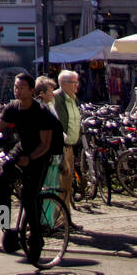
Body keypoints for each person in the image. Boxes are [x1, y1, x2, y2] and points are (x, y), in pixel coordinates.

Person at [0, 73, 56, 265]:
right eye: (16, 87)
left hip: (39, 156)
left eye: (22, 87)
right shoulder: (13, 108)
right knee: (1, 181)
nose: (17, 90)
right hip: (22, 149)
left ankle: (35, 241)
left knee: (28, 196)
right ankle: (6, 227)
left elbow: (46, 144)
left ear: (32, 90)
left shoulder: (41, 112)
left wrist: (30, 158)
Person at [54, 69, 82, 224]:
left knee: (68, 186)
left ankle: (66, 219)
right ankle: (59, 221)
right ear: (64, 84)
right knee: (60, 185)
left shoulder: (73, 99)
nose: (76, 86)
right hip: (61, 147)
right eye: (73, 83)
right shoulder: (57, 98)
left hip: (70, 147)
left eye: (77, 82)